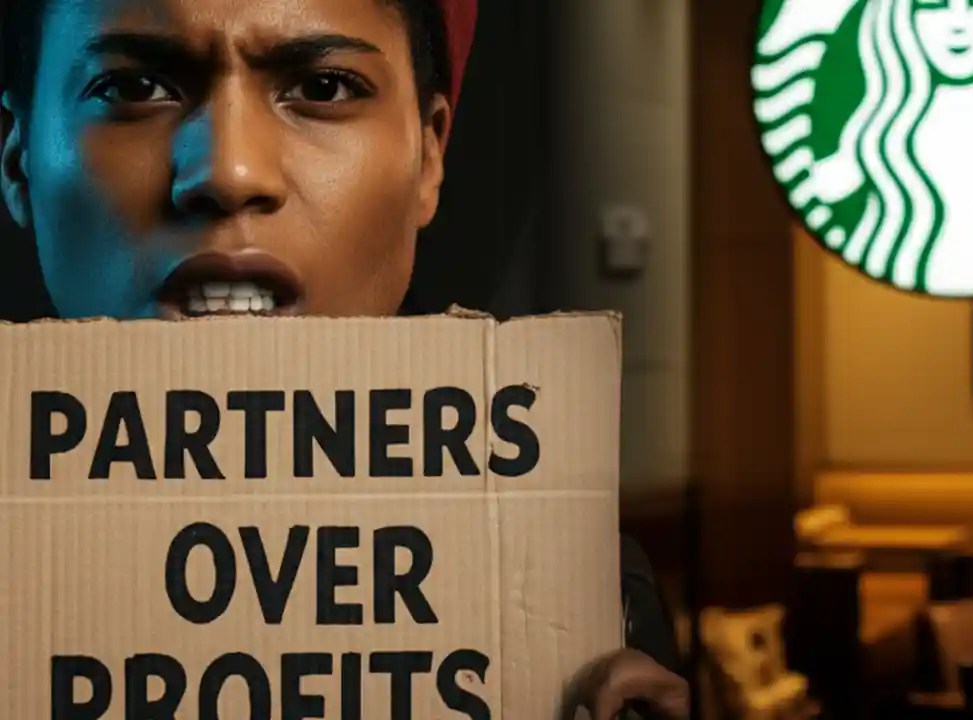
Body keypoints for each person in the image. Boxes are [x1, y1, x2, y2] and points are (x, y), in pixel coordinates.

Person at [0, 0, 689, 716]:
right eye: (134, 88)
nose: (230, 172)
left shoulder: (591, 596)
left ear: (429, 157)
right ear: (17, 160)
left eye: (324, 88)